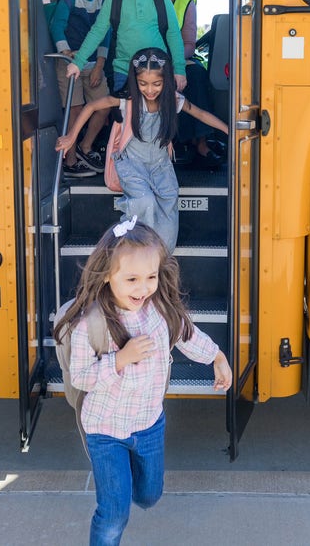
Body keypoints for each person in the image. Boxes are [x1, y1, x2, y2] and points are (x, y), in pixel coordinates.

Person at [54, 217, 233, 546]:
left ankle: (128, 488)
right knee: (113, 513)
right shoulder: (90, 323)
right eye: (132, 279)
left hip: (149, 424)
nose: (143, 288)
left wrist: (216, 357)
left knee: (150, 495)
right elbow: (81, 375)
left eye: (151, 277)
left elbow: (186, 334)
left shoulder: (159, 309)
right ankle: (115, 500)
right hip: (105, 430)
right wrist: (120, 359)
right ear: (107, 275)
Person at [56, 48, 228, 250]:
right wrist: (71, 137)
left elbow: (201, 114)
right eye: (143, 83)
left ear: (166, 81)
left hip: (160, 166)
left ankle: (162, 256)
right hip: (132, 164)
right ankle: (133, 247)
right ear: (134, 81)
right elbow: (91, 106)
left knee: (168, 208)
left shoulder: (172, 100)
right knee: (144, 201)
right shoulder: (128, 100)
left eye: (157, 84)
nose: (150, 90)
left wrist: (228, 130)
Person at [156, 0, 224, 167]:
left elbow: (189, 44)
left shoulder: (186, 0)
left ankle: (200, 143)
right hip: (149, 58)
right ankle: (173, 144)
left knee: (196, 75)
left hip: (177, 56)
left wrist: (174, 60)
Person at [51, 0, 113, 178]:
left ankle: (85, 147)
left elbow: (105, 35)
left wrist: (99, 65)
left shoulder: (103, 0)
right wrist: (65, 51)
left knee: (104, 107)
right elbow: (57, 26)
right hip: (70, 63)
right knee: (75, 110)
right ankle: (70, 160)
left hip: (94, 64)